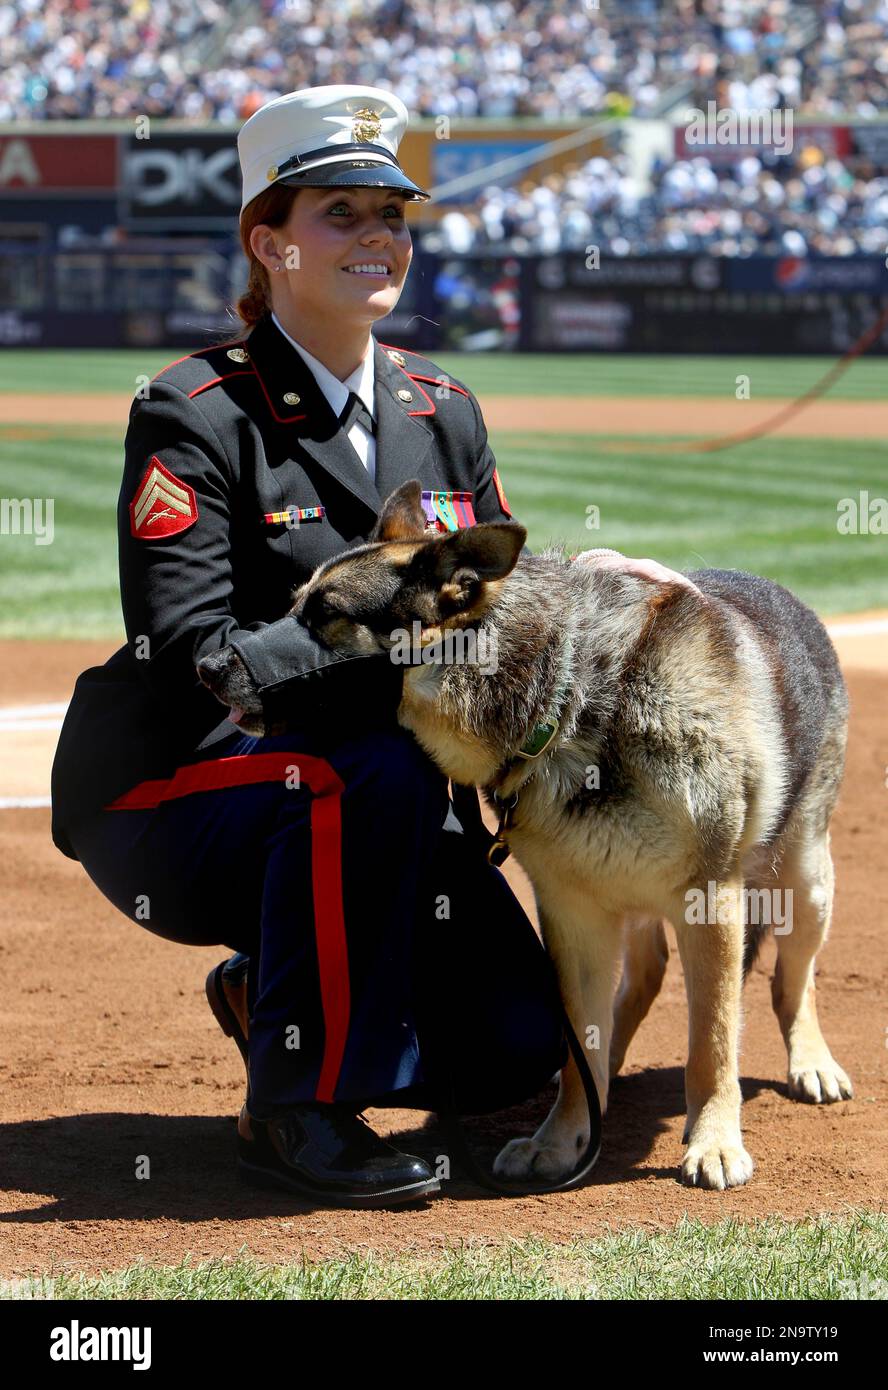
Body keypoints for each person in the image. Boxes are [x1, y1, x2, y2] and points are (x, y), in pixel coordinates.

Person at [51, 84, 691, 1209]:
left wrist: (584, 587)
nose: (376, 237)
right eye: (339, 214)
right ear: (271, 243)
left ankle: (270, 992)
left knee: (510, 1050)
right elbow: (201, 653)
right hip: (186, 785)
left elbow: (492, 597)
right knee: (367, 766)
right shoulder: (197, 411)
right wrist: (400, 634)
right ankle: (298, 1111)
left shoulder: (444, 408)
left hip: (371, 800)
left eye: (391, 214)